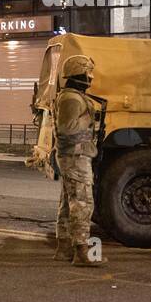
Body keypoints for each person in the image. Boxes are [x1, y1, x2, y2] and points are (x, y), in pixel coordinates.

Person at [53, 54, 103, 267]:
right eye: (88, 73)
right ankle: (82, 251)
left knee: (68, 202)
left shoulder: (70, 96)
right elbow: (68, 129)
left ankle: (63, 247)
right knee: (82, 202)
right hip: (76, 156)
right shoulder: (72, 98)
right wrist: (89, 117)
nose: (90, 78)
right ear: (78, 73)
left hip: (73, 156)